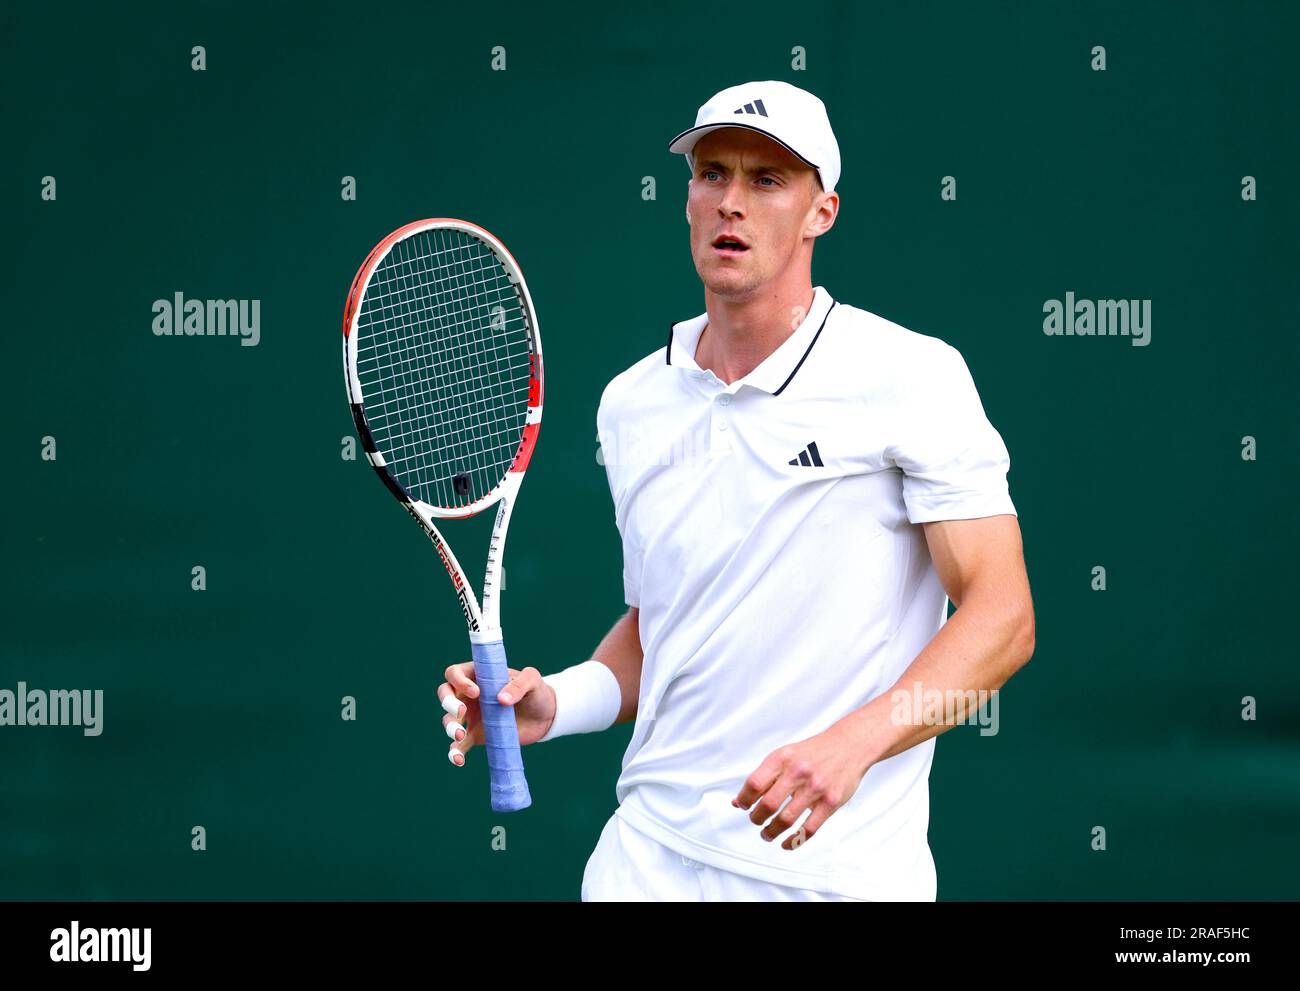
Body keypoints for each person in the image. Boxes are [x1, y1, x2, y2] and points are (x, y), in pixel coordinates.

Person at [438, 80, 1035, 901]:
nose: (731, 203)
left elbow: (1004, 619)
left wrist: (855, 742)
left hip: (832, 878)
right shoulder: (632, 402)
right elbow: (667, 627)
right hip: (643, 864)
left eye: (766, 180)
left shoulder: (912, 376)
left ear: (822, 210)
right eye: (712, 173)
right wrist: (557, 701)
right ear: (685, 199)